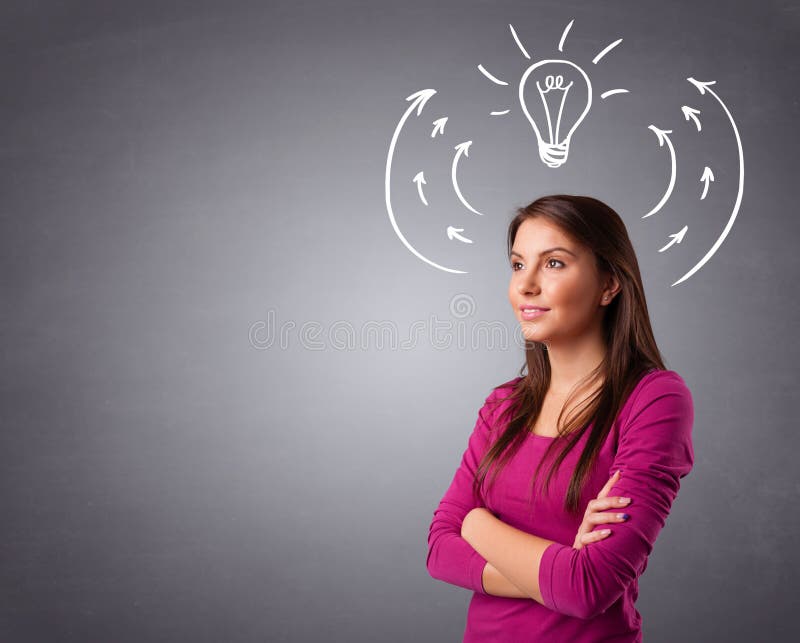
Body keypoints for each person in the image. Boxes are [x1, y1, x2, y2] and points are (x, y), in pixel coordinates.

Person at [426, 195, 695, 642]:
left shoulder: (654, 399)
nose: (526, 285)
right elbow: (439, 548)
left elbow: (589, 588)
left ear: (609, 284)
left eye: (553, 264)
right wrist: (560, 565)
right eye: (517, 265)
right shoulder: (503, 406)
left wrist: (476, 524)